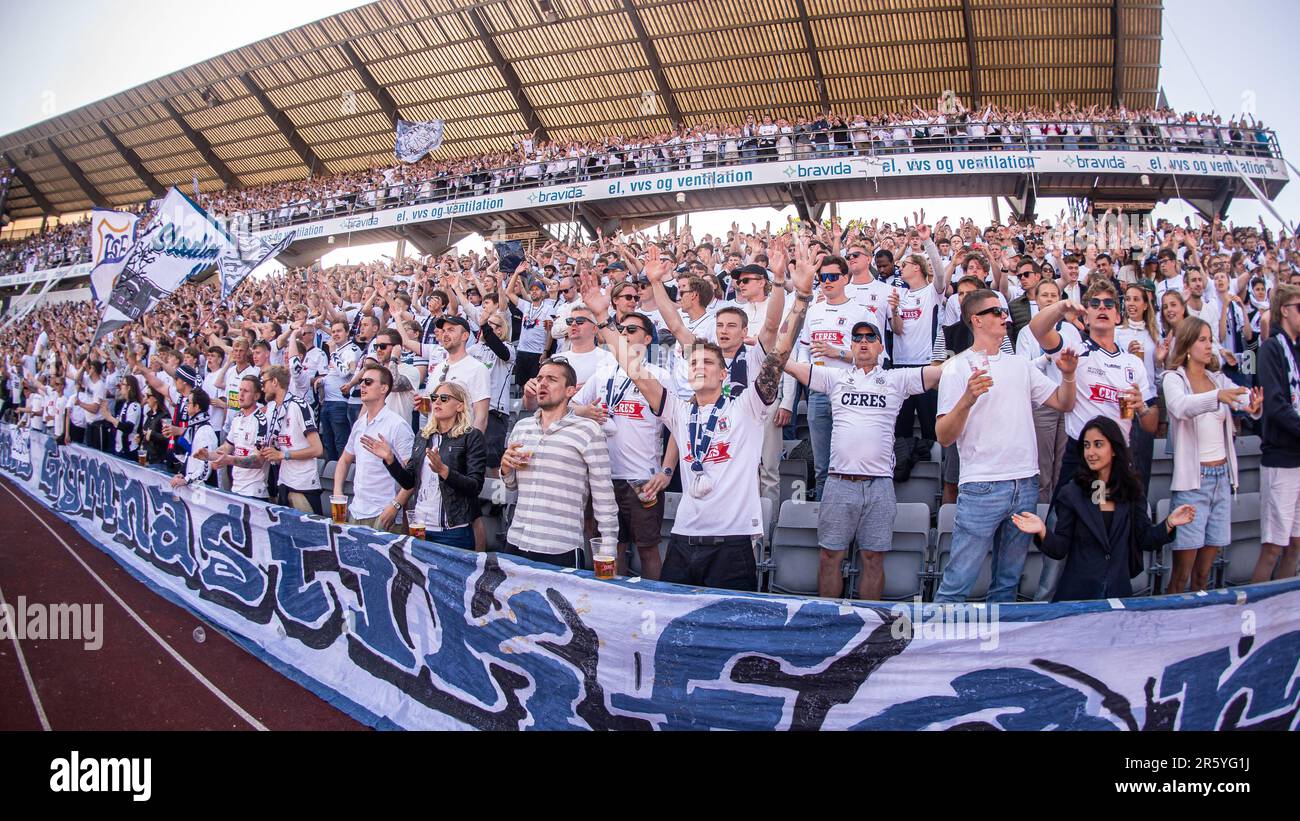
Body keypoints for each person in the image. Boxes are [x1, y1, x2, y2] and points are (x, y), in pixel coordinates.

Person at [582, 252, 806, 591]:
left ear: (724, 372)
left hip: (732, 541)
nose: (699, 366)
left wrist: (798, 297)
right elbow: (634, 369)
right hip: (684, 538)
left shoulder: (746, 407)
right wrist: (602, 318)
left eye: (708, 362)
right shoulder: (679, 409)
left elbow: (780, 349)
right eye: (694, 362)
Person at [784, 313, 943, 599]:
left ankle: (867, 624)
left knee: (873, 558)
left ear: (882, 347)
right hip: (839, 482)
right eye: (857, 338)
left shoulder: (897, 379)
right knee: (829, 556)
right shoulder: (835, 377)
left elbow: (940, 373)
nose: (864, 342)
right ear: (851, 346)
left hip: (880, 484)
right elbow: (787, 364)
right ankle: (828, 621)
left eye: (871, 337)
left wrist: (975, 352)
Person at [934, 289, 1078, 603]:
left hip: (1024, 483)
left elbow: (1063, 403)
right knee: (958, 581)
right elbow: (943, 435)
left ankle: (999, 650)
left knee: (1007, 583)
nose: (1005, 317)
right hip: (981, 486)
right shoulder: (956, 368)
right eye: (997, 312)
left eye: (1004, 312)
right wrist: (968, 400)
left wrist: (1068, 375)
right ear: (976, 320)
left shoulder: (1021, 365)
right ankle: (936, 648)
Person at [1010, 417, 1194, 601]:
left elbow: (1145, 540)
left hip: (1118, 593)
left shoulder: (1131, 490)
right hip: (1078, 595)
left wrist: (1170, 523)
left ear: (1114, 449)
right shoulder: (1071, 492)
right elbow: (1059, 549)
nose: (1090, 452)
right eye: (1086, 445)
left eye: (1098, 445)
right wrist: (1042, 530)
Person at [1029, 280, 1157, 502]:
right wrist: (1060, 308)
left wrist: (1143, 408)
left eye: (1109, 304)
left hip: (1117, 456)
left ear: (1118, 317)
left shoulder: (1133, 363)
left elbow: (1150, 425)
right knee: (1064, 526)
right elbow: (1037, 329)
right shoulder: (1075, 350)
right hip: (1080, 454)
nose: (1102, 308)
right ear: (1085, 318)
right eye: (1095, 303)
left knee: (1112, 527)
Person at [1162, 317, 1262, 593]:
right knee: (1181, 574)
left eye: (1210, 339)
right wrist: (1218, 396)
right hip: (1194, 483)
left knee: (1204, 574)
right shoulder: (1173, 378)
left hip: (1221, 479)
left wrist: (1253, 406)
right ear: (1187, 344)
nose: (1209, 346)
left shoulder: (1215, 377)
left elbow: (1240, 398)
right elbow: (1180, 407)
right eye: (1202, 340)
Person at [499, 358, 619, 567]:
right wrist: (506, 468)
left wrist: (608, 550)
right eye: (539, 378)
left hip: (560, 547)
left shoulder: (588, 430)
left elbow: (604, 496)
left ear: (570, 391)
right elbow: (511, 486)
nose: (542, 383)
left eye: (552, 379)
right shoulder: (521, 427)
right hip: (516, 541)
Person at [368, 380, 487, 552]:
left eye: (444, 398)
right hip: (421, 527)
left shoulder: (471, 436)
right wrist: (390, 459)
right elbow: (409, 482)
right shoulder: (423, 436)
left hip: (453, 531)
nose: (437, 401)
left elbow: (475, 486)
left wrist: (443, 471)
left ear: (460, 406)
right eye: (434, 397)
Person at [1254, 283, 1300, 583]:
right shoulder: (1272, 348)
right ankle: (1251, 616)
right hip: (1281, 458)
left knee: (1296, 544)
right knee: (1274, 546)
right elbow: (1274, 403)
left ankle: (1283, 613)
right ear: (1284, 310)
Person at [334, 364, 415, 533]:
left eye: (369, 382)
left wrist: (395, 505)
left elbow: (413, 475)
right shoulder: (359, 423)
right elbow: (344, 459)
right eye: (362, 381)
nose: (362, 385)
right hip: (356, 510)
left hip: (383, 513)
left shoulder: (398, 425)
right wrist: (337, 492)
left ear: (384, 388)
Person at [257, 365, 325, 515]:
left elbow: (317, 449)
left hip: (303, 485)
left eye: (264, 383)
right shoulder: (272, 408)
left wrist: (283, 455)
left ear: (274, 382)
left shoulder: (299, 406)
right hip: (283, 481)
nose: (262, 389)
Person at [210, 375, 271, 502]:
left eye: (246, 391)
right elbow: (227, 446)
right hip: (236, 489)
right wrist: (208, 456)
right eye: (240, 390)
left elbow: (258, 461)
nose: (241, 394)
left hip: (254, 492)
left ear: (256, 396)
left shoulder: (262, 421)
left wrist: (229, 460)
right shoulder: (237, 418)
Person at [316, 319, 362, 462]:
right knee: (328, 443)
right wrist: (321, 381)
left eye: (339, 331)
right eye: (333, 331)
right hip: (328, 402)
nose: (335, 334)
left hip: (340, 403)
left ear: (347, 333)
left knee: (341, 443)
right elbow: (333, 374)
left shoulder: (351, 350)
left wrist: (332, 353)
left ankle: (343, 478)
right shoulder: (338, 351)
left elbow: (347, 372)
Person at [169, 390, 219, 491]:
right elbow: (190, 457)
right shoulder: (194, 428)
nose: (186, 405)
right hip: (193, 488)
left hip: (203, 491)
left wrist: (187, 479)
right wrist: (182, 474)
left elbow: (206, 468)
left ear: (197, 407)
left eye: (189, 402)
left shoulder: (205, 431)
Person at [99, 375, 144, 461]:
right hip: (118, 448)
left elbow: (128, 427)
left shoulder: (134, 405)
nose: (120, 387)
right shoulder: (123, 403)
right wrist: (107, 414)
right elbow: (118, 422)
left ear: (129, 387)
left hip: (128, 450)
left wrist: (110, 418)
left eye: (122, 384)